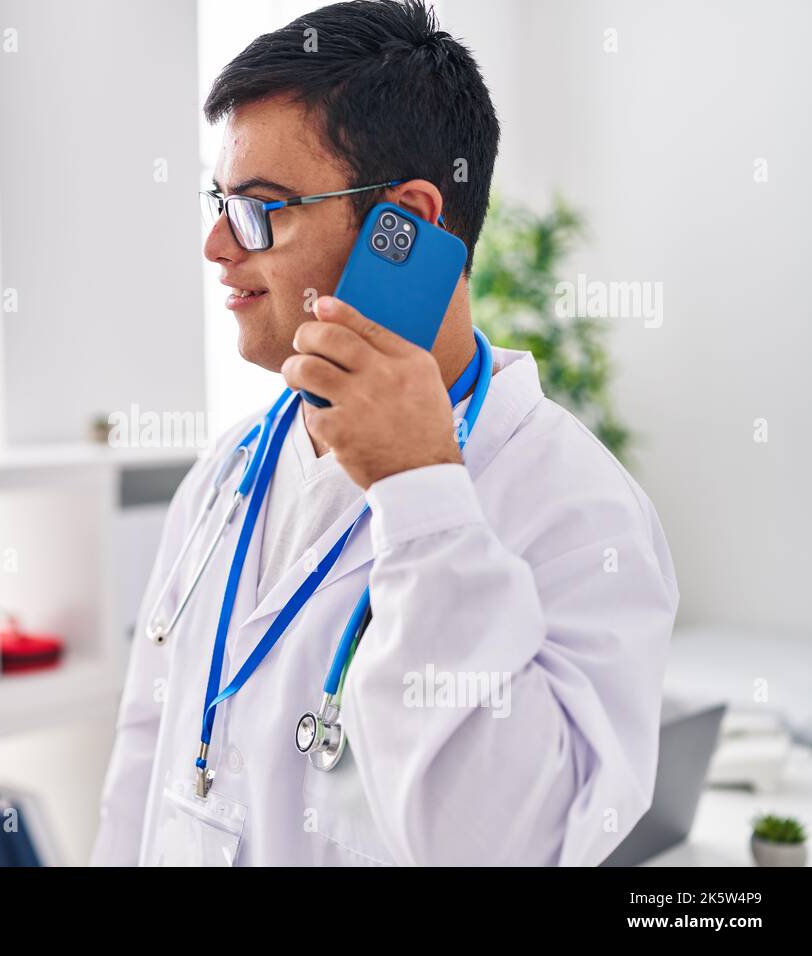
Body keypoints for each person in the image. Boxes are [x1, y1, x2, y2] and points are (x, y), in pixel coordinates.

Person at [90, 0, 678, 866]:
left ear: (404, 223)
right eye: (219, 202)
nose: (217, 245)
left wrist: (421, 494)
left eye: (259, 209)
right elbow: (145, 750)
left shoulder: (579, 510)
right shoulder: (225, 474)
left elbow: (520, 845)